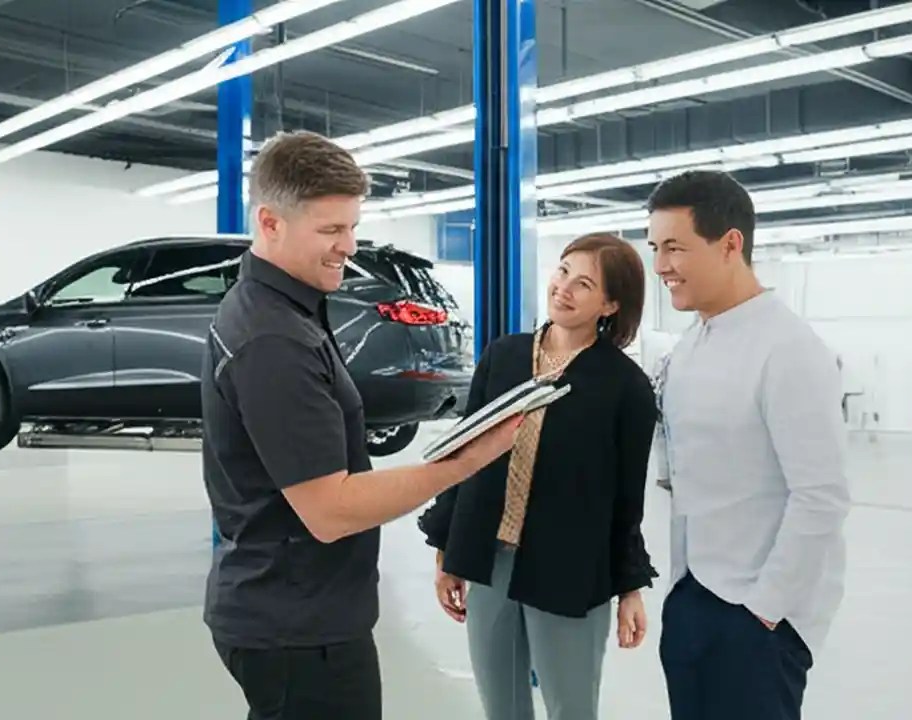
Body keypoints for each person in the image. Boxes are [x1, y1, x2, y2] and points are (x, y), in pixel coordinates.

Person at [199, 130, 521, 720]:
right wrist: (464, 463)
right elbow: (331, 510)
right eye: (330, 229)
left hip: (290, 610)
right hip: (300, 629)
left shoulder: (281, 311)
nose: (347, 247)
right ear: (270, 223)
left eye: (351, 227)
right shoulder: (274, 340)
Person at [418, 233, 659, 720]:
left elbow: (625, 501)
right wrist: (447, 547)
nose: (564, 288)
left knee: (571, 707)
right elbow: (464, 456)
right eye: (563, 271)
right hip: (490, 558)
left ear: (610, 304)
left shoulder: (625, 387)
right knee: (502, 707)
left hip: (570, 566)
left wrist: (629, 588)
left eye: (584, 284)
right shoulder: (503, 357)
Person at [648, 170, 850, 720]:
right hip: (693, 596)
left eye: (675, 247)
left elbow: (822, 495)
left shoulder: (788, 349)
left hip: (755, 618)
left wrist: (766, 608)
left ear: (730, 244)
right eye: (655, 248)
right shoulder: (689, 346)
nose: (660, 265)